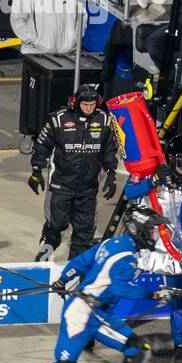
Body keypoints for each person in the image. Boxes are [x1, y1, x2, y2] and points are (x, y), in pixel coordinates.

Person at [0, 208, 172, 363]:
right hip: (85, 314)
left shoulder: (113, 243)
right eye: (152, 230)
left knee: (136, 346)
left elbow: (80, 262)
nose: (155, 235)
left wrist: (63, 280)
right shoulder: (127, 259)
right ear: (138, 230)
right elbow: (122, 290)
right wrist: (154, 294)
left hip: (93, 311)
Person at [123, 136, 182, 363]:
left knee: (178, 299)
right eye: (181, 163)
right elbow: (129, 192)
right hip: (142, 240)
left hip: (172, 248)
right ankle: (93, 329)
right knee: (117, 280)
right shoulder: (150, 171)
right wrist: (153, 180)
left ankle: (180, 346)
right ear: (170, 158)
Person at [29, 83, 121, 261]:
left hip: (88, 188)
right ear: (75, 103)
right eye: (85, 104)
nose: (89, 108)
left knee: (84, 231)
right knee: (56, 225)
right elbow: (42, 146)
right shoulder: (59, 120)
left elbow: (110, 150)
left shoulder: (104, 121)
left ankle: (74, 270)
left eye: (92, 104)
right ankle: (45, 252)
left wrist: (111, 174)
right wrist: (36, 171)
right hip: (61, 185)